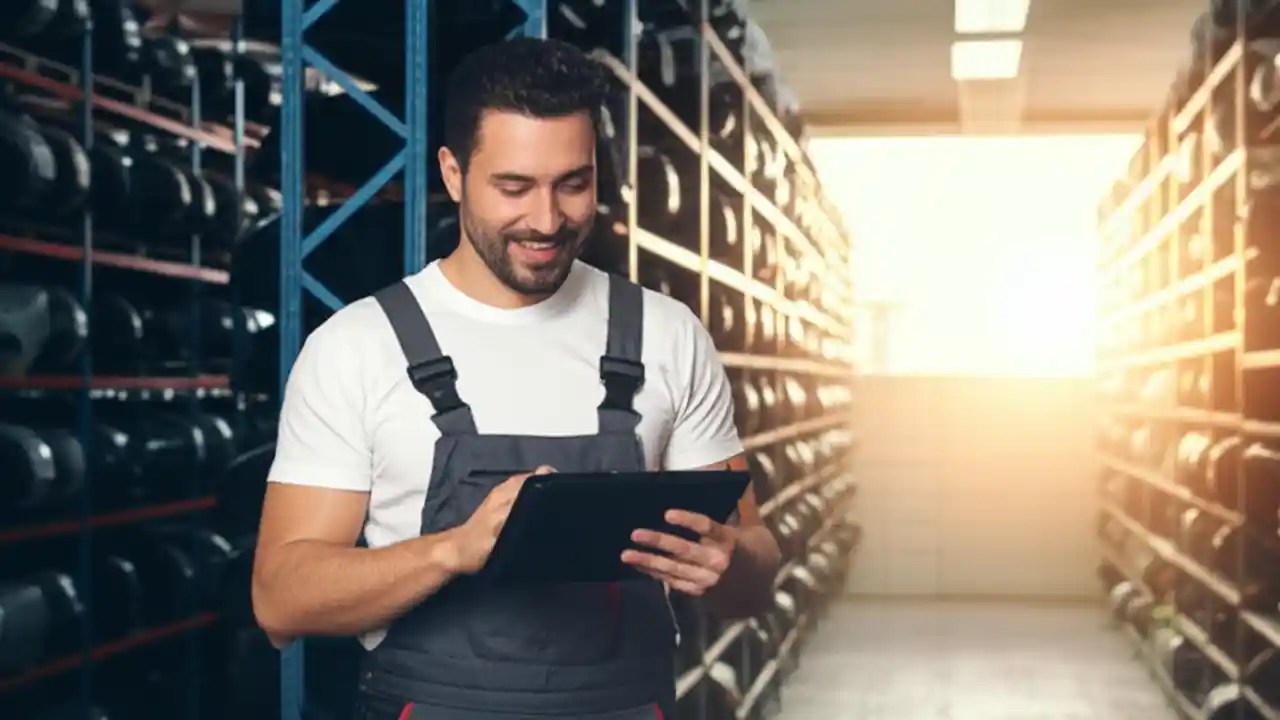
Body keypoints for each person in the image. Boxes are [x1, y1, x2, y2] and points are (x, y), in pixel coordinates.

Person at [250, 36, 782, 720]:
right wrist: (452, 551)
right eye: (514, 187)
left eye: (574, 183)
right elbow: (281, 600)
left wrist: (728, 564)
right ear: (451, 173)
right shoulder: (358, 346)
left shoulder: (667, 335)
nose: (546, 219)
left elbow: (757, 565)